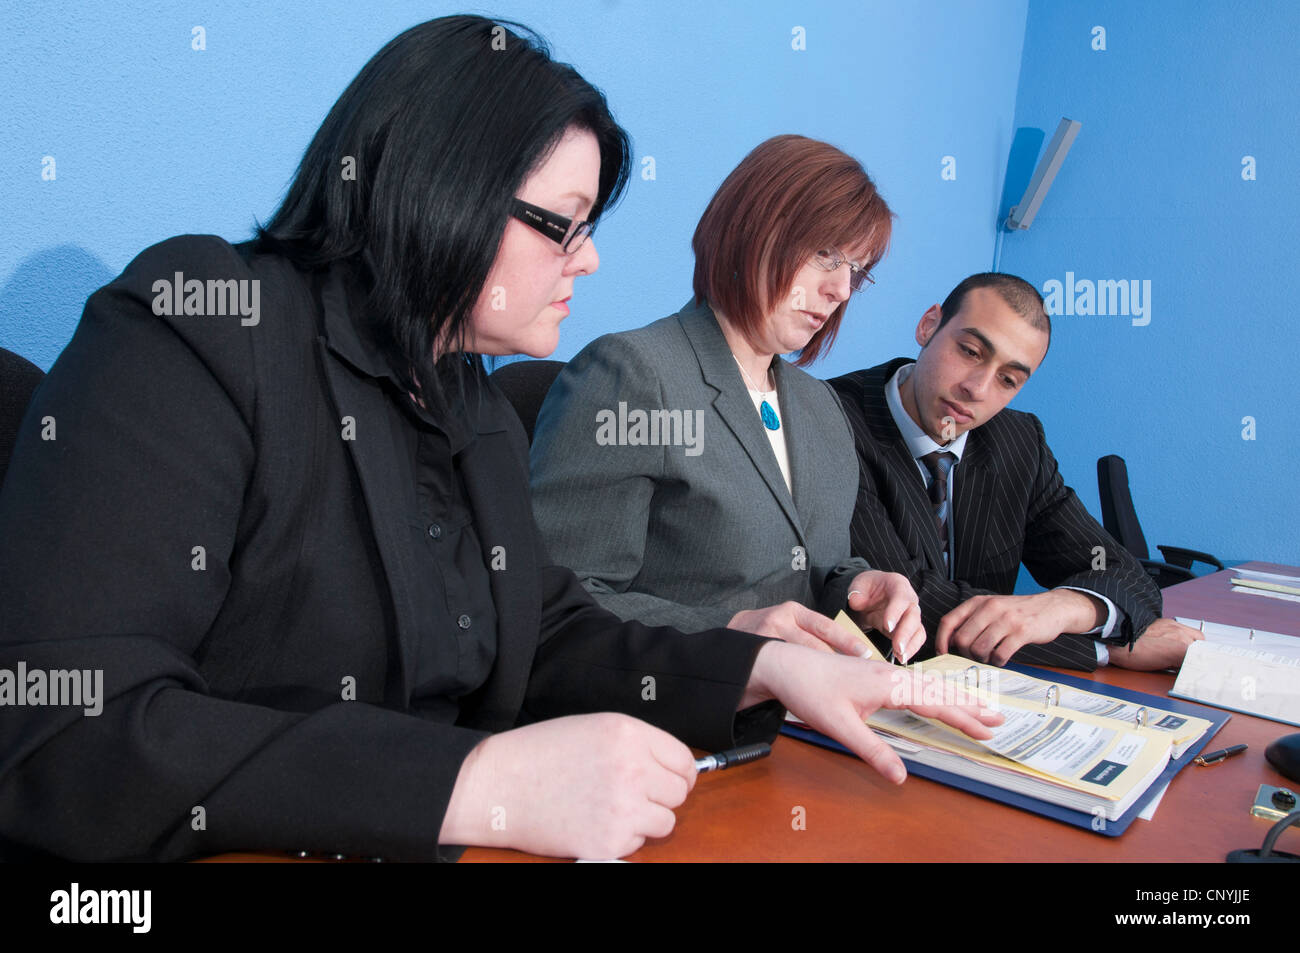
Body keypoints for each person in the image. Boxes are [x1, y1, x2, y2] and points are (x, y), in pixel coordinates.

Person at [0, 17, 999, 863]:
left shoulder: (460, 388)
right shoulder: (203, 326)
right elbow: (62, 726)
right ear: (443, 189)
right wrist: (473, 780)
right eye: (563, 224)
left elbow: (546, 626)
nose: (592, 257)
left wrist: (759, 668)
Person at [529, 135, 926, 661]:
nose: (841, 290)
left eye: (856, 269)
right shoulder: (633, 374)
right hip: (680, 714)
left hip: (806, 708)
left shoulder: (822, 407)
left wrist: (861, 590)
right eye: (825, 254)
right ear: (752, 229)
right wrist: (732, 631)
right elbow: (558, 598)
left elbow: (810, 570)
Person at [829, 272, 1203, 672]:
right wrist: (1105, 649)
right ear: (929, 325)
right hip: (856, 683)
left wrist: (1062, 607)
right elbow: (909, 607)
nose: (978, 388)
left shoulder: (1018, 441)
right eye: (970, 352)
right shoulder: (828, 419)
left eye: (1008, 379)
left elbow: (1122, 573)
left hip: (985, 696)